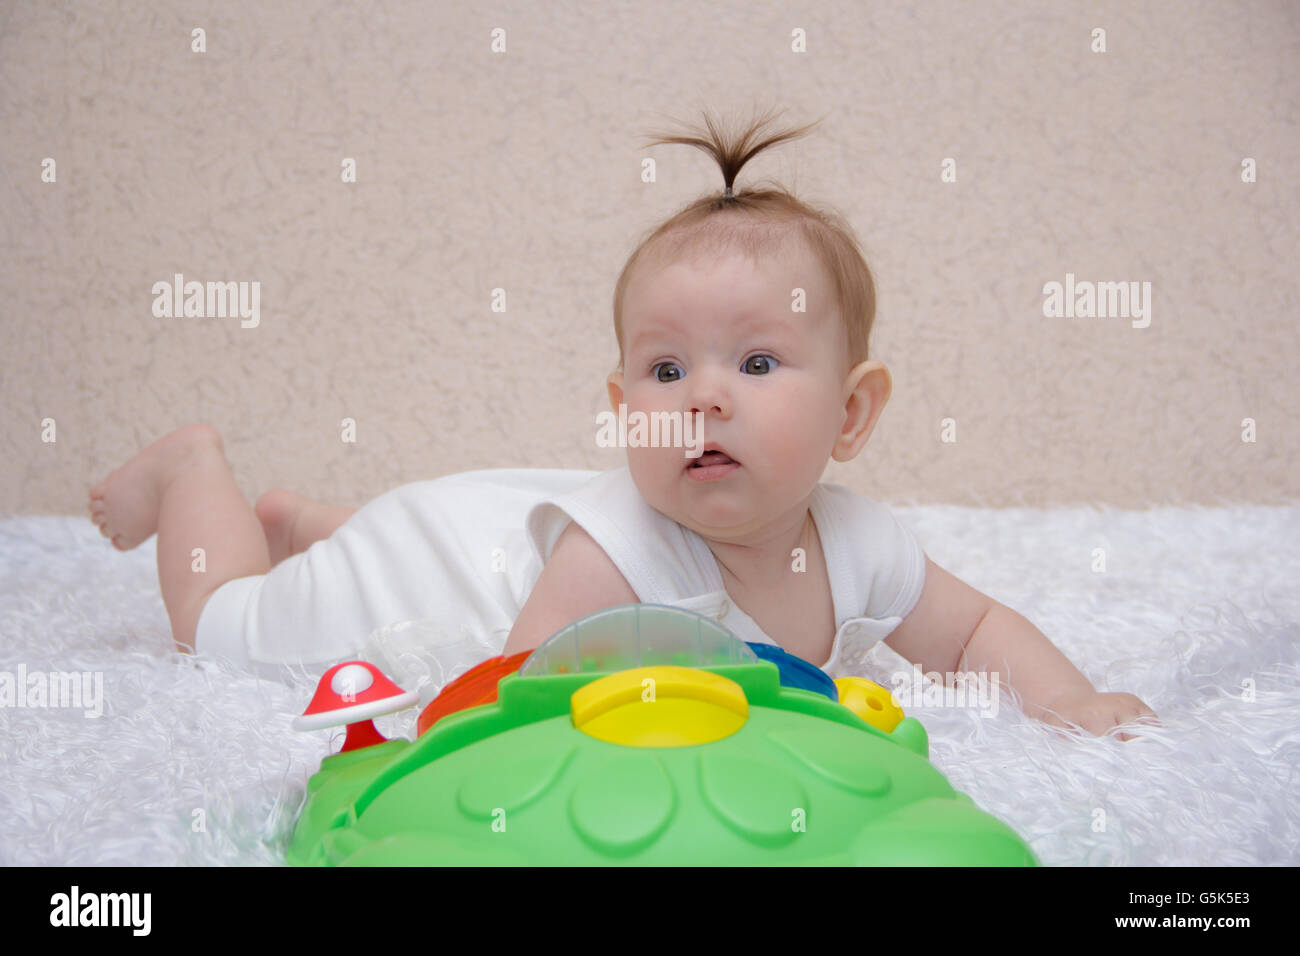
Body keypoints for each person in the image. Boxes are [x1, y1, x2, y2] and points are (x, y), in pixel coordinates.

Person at [89, 108, 1158, 740]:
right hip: (429, 570)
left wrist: (1066, 698)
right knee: (219, 628)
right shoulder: (616, 554)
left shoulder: (865, 545)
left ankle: (306, 515)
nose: (703, 397)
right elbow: (508, 695)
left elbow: (973, 634)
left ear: (852, 412)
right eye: (663, 367)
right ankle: (198, 472)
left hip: (491, 524)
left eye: (755, 360)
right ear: (621, 410)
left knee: (479, 529)